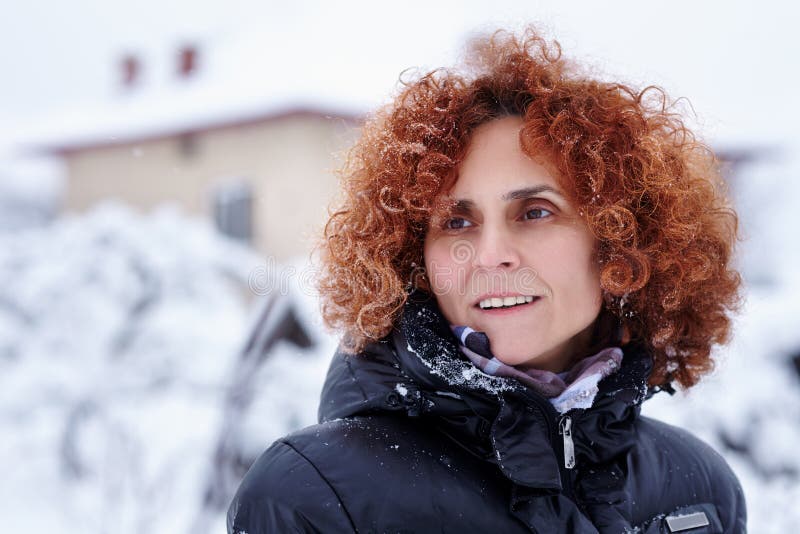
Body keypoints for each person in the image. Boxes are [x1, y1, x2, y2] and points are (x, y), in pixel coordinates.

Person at [227, 29, 746, 533]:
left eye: (536, 211)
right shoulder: (315, 499)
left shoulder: (700, 490)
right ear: (412, 258)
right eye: (456, 221)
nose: (491, 255)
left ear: (621, 240)